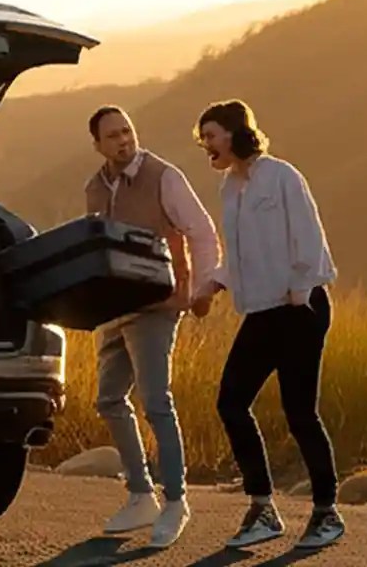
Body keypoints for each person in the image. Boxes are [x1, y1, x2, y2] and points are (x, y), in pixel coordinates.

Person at [192, 99, 344, 550]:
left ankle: (326, 513)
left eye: (212, 137)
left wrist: (299, 298)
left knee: (300, 414)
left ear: (237, 133)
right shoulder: (229, 188)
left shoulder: (281, 176)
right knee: (231, 402)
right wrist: (210, 285)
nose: (207, 146)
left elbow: (309, 239)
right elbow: (237, 257)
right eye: (203, 140)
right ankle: (263, 508)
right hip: (261, 312)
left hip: (300, 307)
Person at [84, 106, 221, 548]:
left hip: (158, 305)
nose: (124, 140)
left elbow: (201, 231)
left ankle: (176, 501)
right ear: (98, 145)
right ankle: (140, 494)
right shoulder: (94, 187)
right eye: (113, 136)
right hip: (114, 311)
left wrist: (200, 289)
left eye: (128, 131)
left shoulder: (165, 177)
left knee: (155, 400)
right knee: (108, 399)